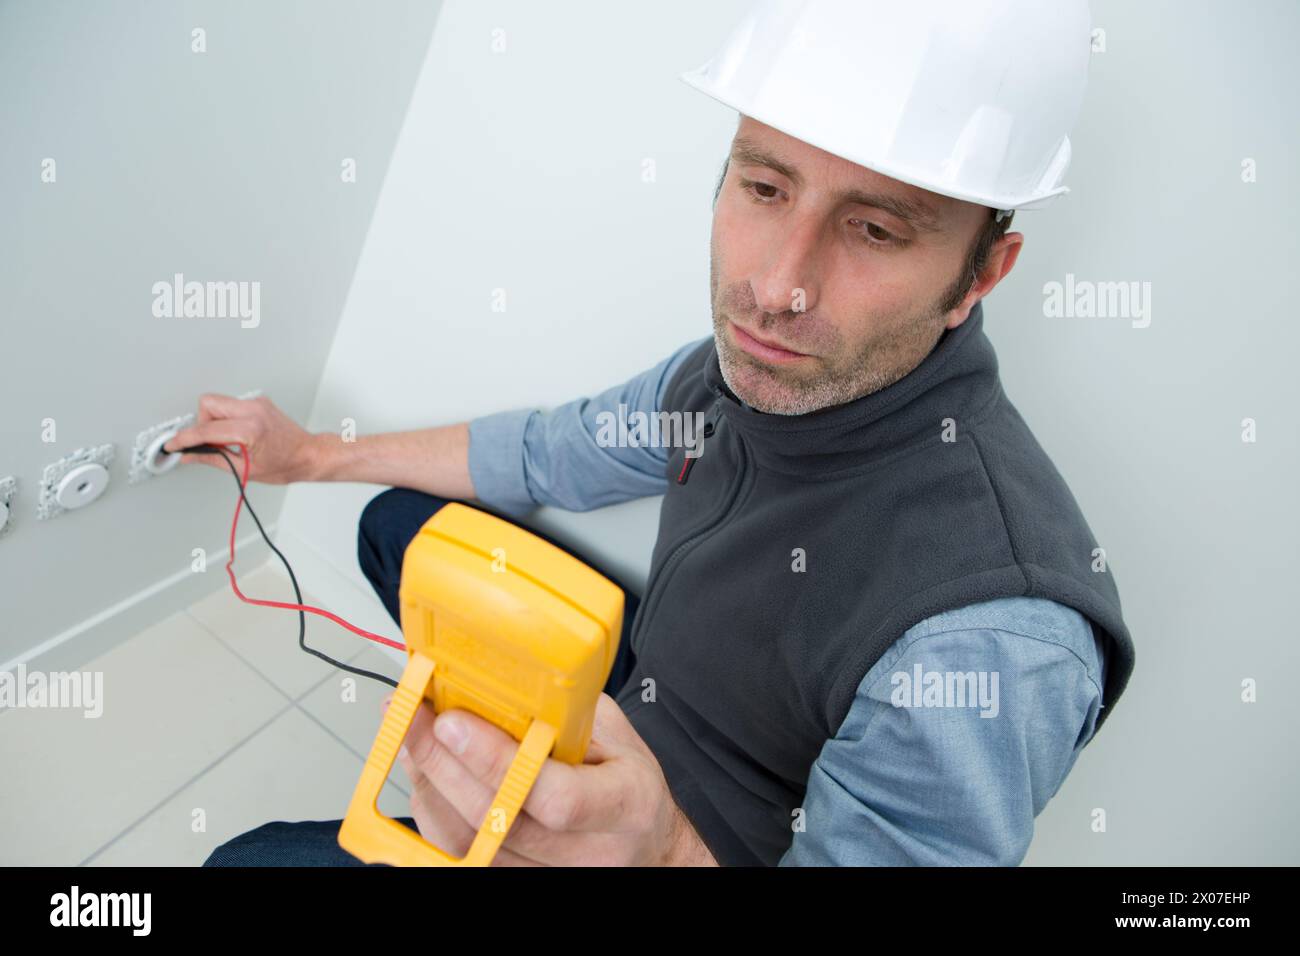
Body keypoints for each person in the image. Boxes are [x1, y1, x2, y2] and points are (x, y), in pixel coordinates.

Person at [195, 0, 1135, 866]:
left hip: (718, 837)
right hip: (658, 682)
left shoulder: (993, 638)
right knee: (398, 524)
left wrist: (659, 847)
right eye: (766, 188)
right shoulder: (733, 378)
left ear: (981, 274)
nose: (775, 290)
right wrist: (314, 456)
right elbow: (546, 453)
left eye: (876, 230)